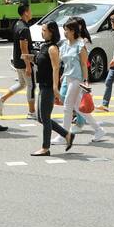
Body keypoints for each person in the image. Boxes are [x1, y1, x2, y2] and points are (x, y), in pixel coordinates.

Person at [60, 16, 105, 148]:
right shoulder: (65, 44)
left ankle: (64, 135)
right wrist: (63, 75)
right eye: (64, 30)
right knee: (77, 107)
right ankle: (99, 130)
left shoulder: (80, 45)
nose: (65, 32)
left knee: (68, 105)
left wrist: (85, 81)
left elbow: (84, 65)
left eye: (67, 30)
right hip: (68, 78)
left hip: (77, 79)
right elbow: (66, 62)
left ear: (73, 31)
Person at [30, 20, 68, 157]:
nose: (42, 32)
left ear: (51, 32)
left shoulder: (52, 48)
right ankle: (66, 135)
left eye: (44, 30)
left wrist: (55, 87)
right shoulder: (44, 46)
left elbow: (56, 67)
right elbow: (41, 61)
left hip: (48, 87)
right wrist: (30, 58)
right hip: (42, 85)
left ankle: (45, 148)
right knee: (41, 118)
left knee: (45, 118)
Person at [0, 3, 36, 118]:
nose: (31, 13)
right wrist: (28, 66)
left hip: (18, 61)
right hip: (24, 62)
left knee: (22, 84)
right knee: (31, 85)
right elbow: (24, 47)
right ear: (26, 12)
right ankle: (32, 111)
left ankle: (1, 99)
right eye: (30, 10)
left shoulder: (17, 24)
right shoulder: (24, 28)